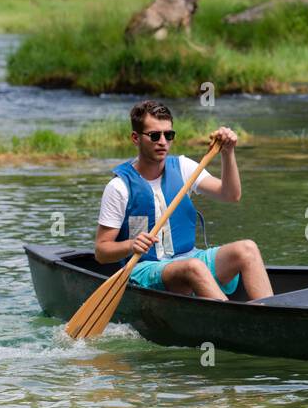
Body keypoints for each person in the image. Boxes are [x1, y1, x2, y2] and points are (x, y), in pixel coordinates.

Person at [94, 99, 273, 301]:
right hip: (144, 269)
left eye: (168, 135)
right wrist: (130, 245)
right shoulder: (119, 187)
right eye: (154, 135)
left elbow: (231, 195)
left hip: (190, 257)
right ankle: (232, 321)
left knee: (247, 249)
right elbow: (102, 251)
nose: (163, 141)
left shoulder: (183, 167)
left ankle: (270, 315)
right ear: (136, 138)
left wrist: (227, 153)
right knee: (194, 267)